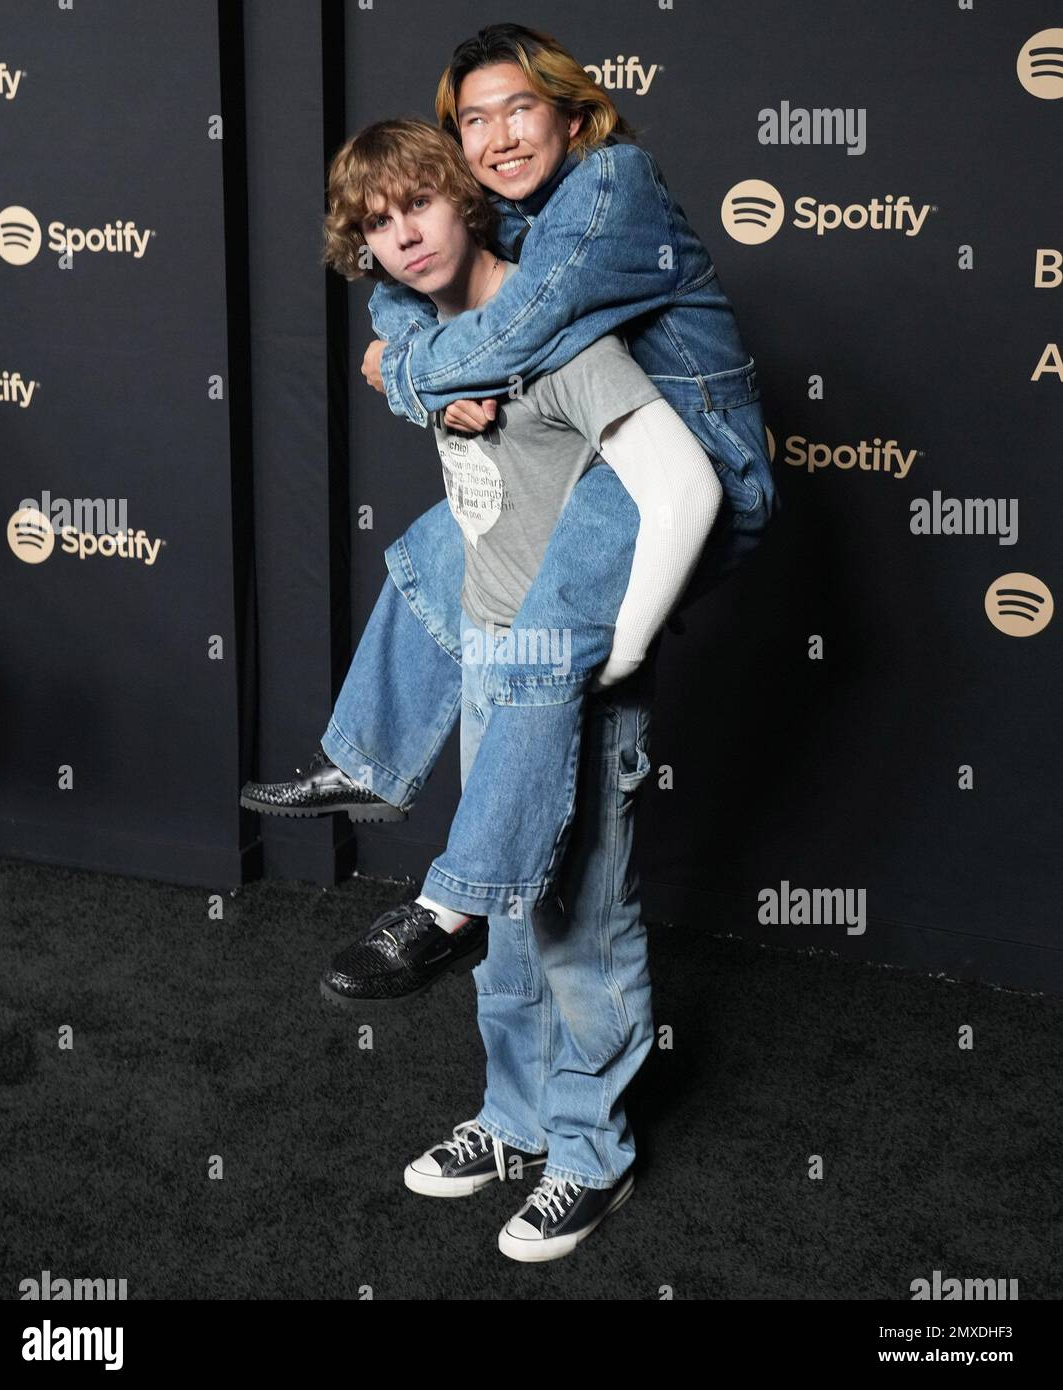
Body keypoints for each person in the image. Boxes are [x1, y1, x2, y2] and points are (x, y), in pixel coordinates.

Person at [240, 25, 780, 1027]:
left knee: (543, 648)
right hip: (597, 460)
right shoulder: (515, 218)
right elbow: (418, 283)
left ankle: (449, 904)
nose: (495, 135)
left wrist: (406, 375)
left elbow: (516, 328)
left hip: (692, 462)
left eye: (516, 108)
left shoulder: (607, 188)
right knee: (440, 547)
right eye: (472, 120)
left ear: (572, 117)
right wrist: (411, 353)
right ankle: (367, 758)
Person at [316, 115, 722, 1261]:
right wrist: (418, 382)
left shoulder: (558, 332)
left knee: (578, 924)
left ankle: (590, 1156)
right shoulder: (440, 345)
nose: (402, 236)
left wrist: (625, 646)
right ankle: (514, 1123)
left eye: (419, 207)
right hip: (496, 666)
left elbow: (681, 485)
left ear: (468, 202)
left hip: (573, 672)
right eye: (376, 224)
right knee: (502, 914)